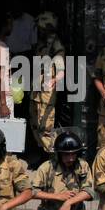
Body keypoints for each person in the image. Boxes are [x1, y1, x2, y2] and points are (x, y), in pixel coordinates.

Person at [29, 12, 67, 156]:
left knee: (45, 125)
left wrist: (56, 79)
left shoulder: (55, 43)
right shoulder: (41, 42)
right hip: (37, 88)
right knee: (35, 121)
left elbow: (60, 64)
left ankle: (53, 156)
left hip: (47, 90)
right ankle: (42, 153)